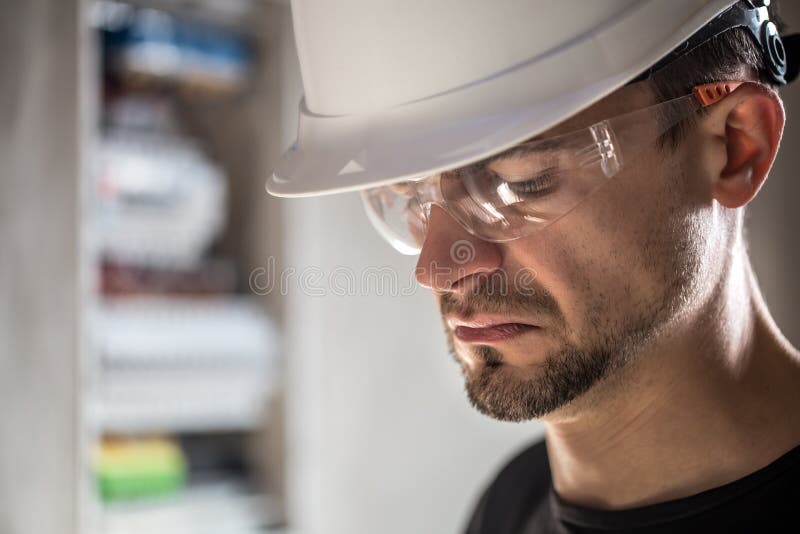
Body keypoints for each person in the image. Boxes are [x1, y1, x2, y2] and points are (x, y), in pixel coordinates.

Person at [268, 1, 800, 532]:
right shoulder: (511, 505)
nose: (438, 267)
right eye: (409, 195)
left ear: (736, 147)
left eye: (519, 183)